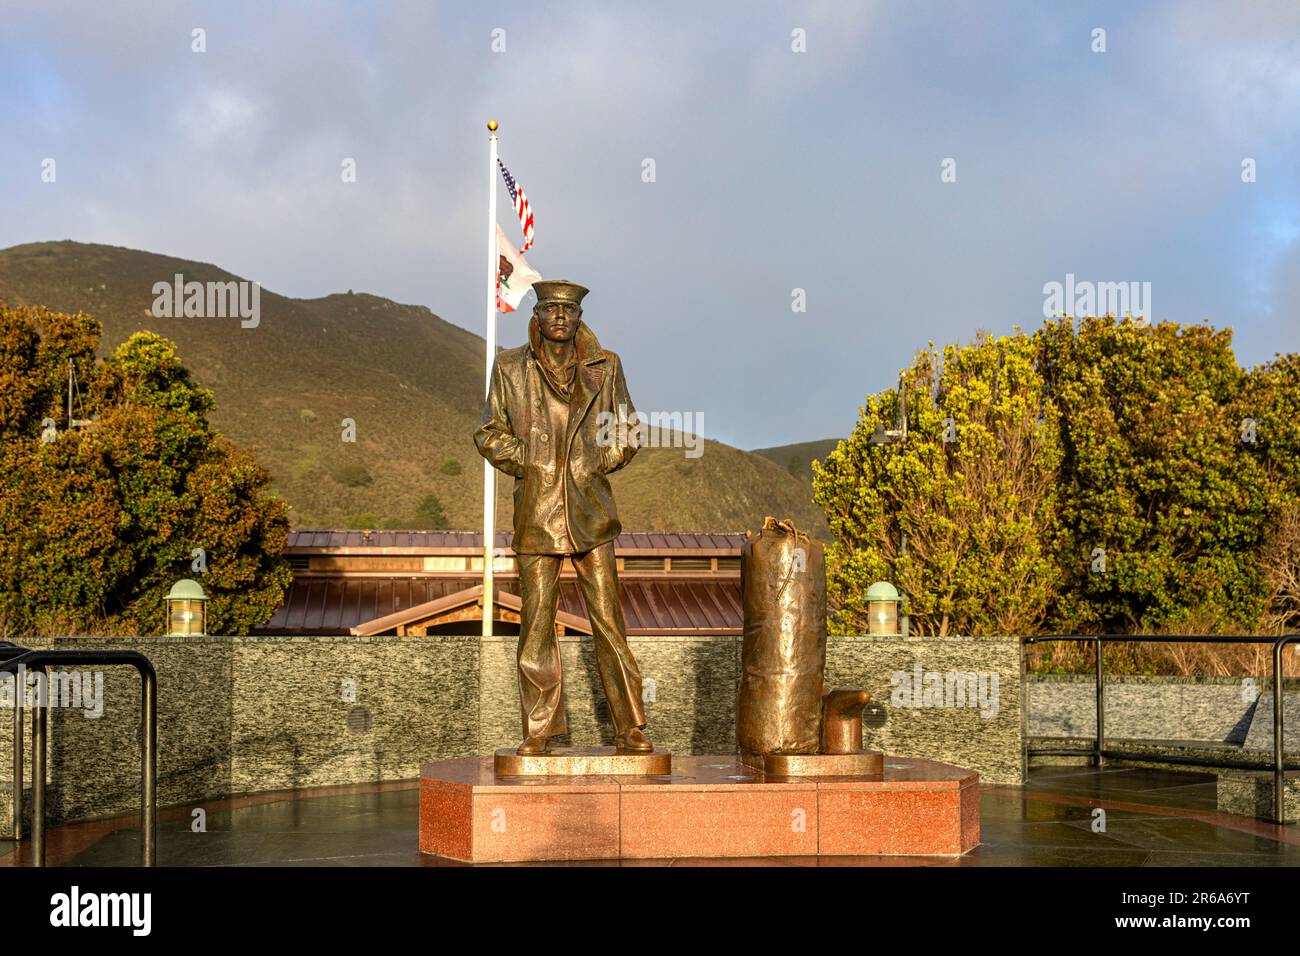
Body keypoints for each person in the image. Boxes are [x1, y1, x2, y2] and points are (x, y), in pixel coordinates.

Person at [474, 279, 653, 755]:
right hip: (537, 512)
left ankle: (630, 726)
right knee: (536, 625)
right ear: (536, 314)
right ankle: (539, 730)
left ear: (578, 318)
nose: (559, 317)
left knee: (609, 622)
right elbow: (489, 432)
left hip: (591, 512)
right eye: (550, 308)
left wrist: (600, 460)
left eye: (568, 310)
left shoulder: (605, 366)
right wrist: (530, 460)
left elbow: (629, 428)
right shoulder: (509, 367)